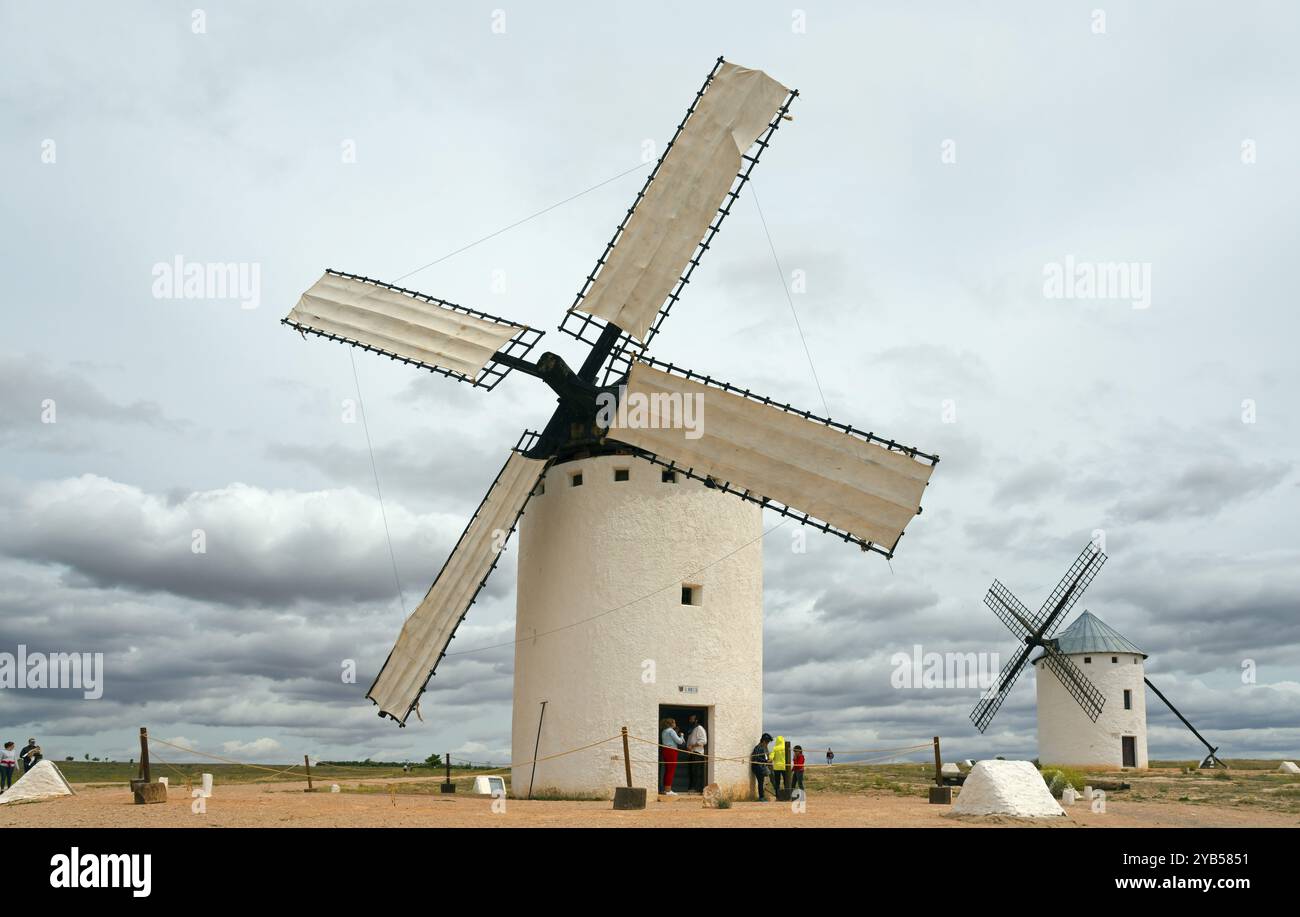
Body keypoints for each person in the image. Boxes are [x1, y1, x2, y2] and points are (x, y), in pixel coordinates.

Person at [659, 718, 685, 796]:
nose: (675, 724)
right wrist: (682, 736)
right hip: (671, 751)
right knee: (671, 770)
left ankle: (666, 789)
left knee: (667, 770)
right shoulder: (671, 731)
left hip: (665, 750)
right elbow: (680, 741)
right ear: (671, 724)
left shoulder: (664, 731)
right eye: (674, 722)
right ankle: (668, 790)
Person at [684, 714, 708, 793]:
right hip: (691, 753)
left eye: (692, 719)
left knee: (695, 771)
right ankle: (691, 788)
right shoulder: (692, 729)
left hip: (697, 753)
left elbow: (703, 741)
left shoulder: (699, 728)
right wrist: (688, 748)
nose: (690, 720)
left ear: (696, 720)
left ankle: (696, 789)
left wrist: (692, 746)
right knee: (691, 771)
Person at [751, 733, 773, 801]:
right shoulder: (758, 748)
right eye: (767, 742)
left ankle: (762, 796)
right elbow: (757, 758)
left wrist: (766, 761)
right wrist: (766, 761)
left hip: (761, 767)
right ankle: (761, 797)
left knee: (762, 782)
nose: (767, 744)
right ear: (764, 741)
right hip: (757, 767)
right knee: (760, 782)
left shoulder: (763, 748)